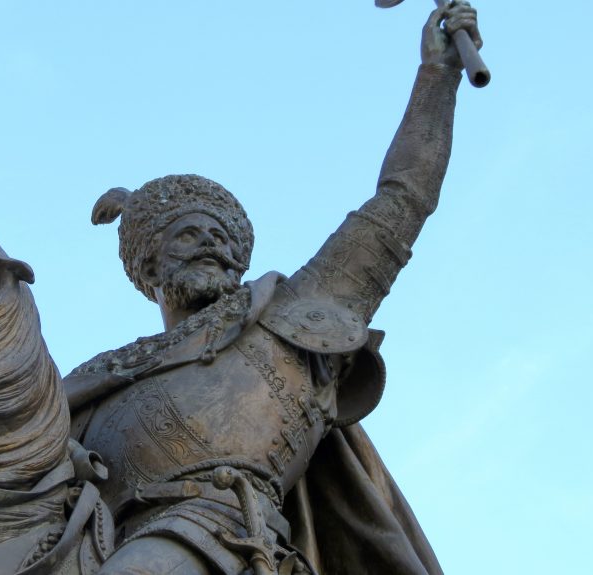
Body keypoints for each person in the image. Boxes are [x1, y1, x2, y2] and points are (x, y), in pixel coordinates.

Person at [64, 3, 482, 574]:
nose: (211, 244)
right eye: (188, 234)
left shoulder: (294, 314)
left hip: (218, 535)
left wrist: (436, 76)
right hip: (92, 543)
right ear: (151, 265)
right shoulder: (102, 376)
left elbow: (403, 198)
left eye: (222, 236)